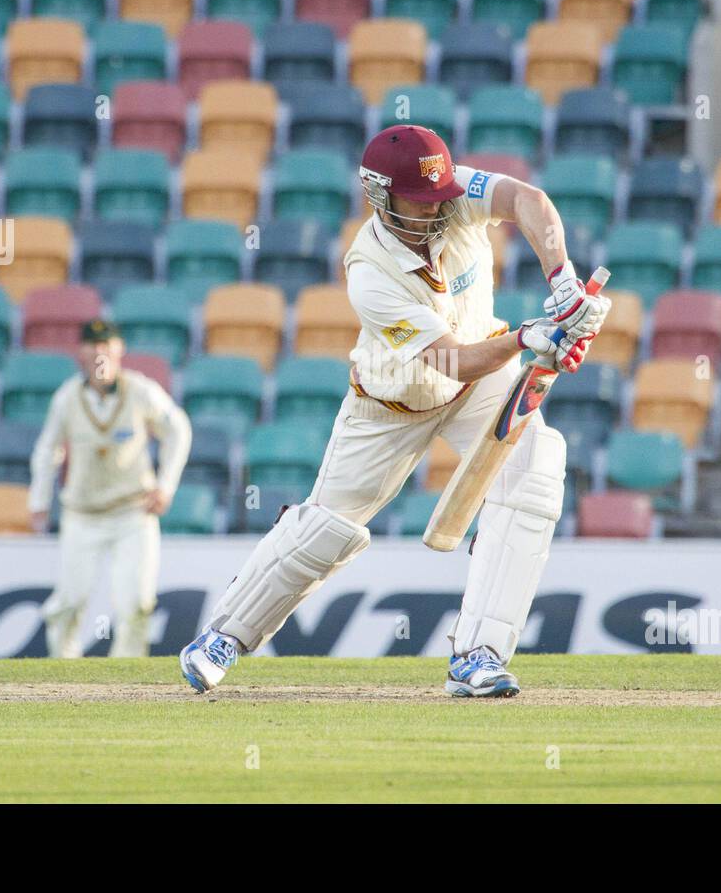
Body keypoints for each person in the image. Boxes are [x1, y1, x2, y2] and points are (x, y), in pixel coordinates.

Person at [179, 125, 610, 696]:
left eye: (441, 197)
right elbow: (450, 363)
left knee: (535, 471)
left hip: (478, 383)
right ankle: (222, 637)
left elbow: (527, 200)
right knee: (328, 529)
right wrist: (529, 338)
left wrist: (562, 281)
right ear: (381, 197)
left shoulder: (453, 192)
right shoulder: (368, 272)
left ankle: (477, 656)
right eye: (420, 201)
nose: (437, 210)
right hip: (393, 398)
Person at [29, 319, 191, 657]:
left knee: (137, 604)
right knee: (69, 604)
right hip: (82, 514)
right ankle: (63, 679)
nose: (100, 352)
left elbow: (177, 429)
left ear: (119, 351)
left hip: (133, 512)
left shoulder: (140, 390)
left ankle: (126, 686)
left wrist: (165, 486)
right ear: (81, 352)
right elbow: (48, 450)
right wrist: (39, 500)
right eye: (93, 345)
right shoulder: (67, 398)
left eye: (108, 345)